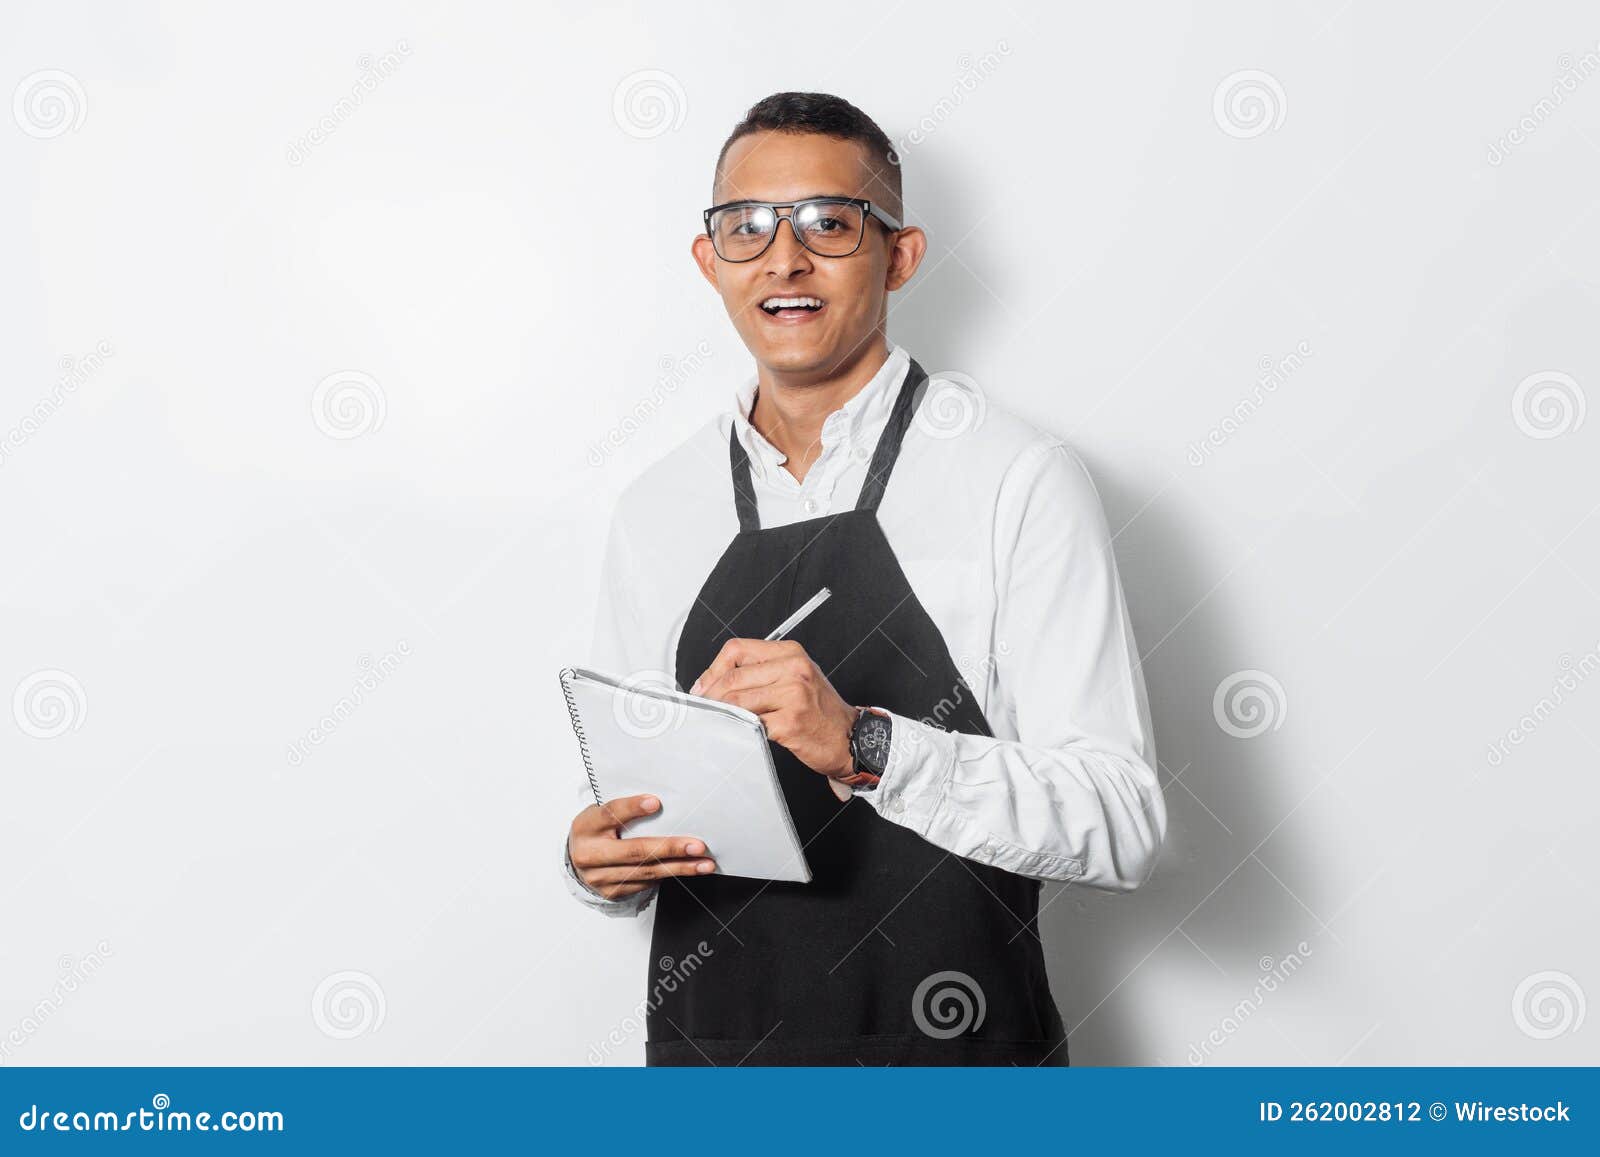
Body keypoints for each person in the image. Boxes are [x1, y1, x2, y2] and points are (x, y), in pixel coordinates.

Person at [563, 91, 1166, 1066]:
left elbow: (1119, 818)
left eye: (828, 224)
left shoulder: (1015, 477)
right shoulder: (654, 507)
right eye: (746, 227)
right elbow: (642, 809)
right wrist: (603, 863)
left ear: (901, 254)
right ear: (707, 261)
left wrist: (863, 742)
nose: (784, 259)